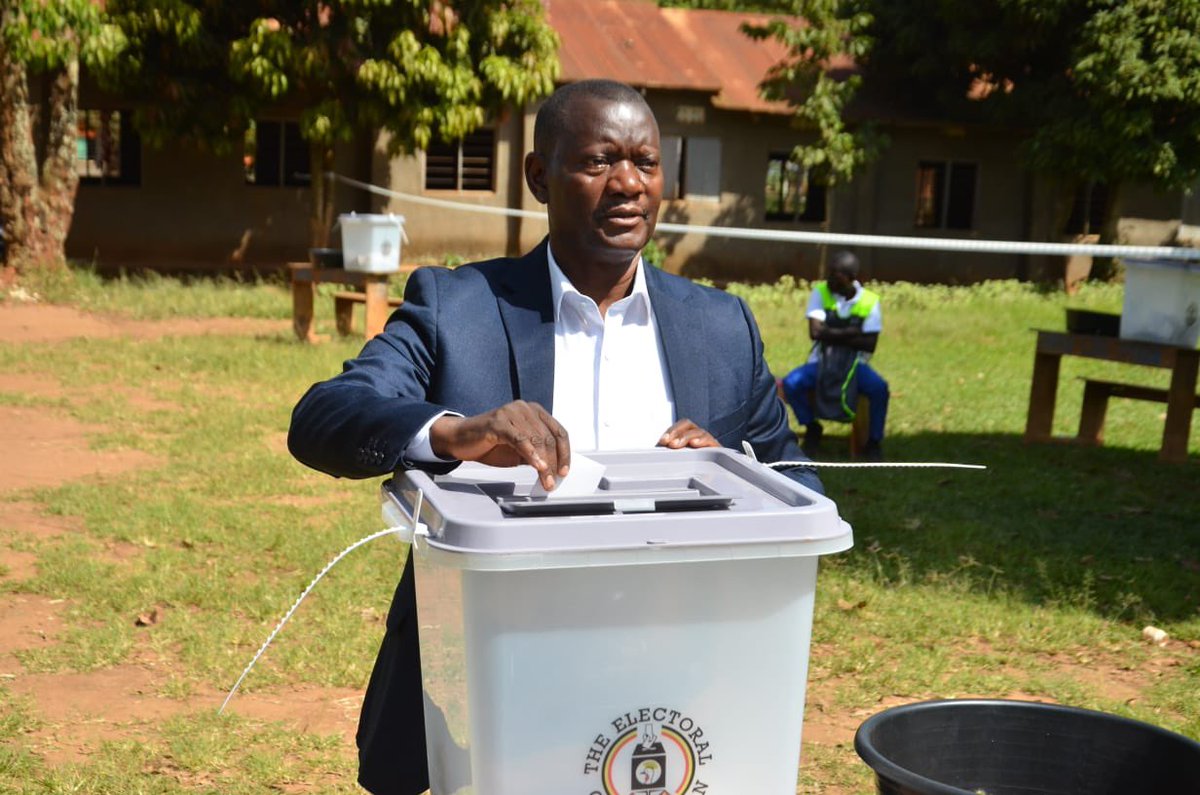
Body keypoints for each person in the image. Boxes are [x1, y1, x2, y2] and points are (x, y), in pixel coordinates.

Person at [287, 78, 821, 795]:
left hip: (682, 698)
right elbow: (322, 414)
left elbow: (804, 485)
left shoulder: (721, 330)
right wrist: (454, 432)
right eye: (599, 162)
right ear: (540, 175)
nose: (628, 184)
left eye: (646, 162)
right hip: (495, 690)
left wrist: (732, 473)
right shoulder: (461, 308)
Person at [780, 251, 890, 458]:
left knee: (879, 389)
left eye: (836, 274)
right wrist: (852, 332)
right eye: (829, 272)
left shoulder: (869, 301)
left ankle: (874, 442)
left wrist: (830, 333)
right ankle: (812, 427)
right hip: (822, 361)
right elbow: (815, 333)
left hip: (855, 363)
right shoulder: (821, 292)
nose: (830, 278)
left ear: (851, 277)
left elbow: (869, 345)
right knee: (792, 383)